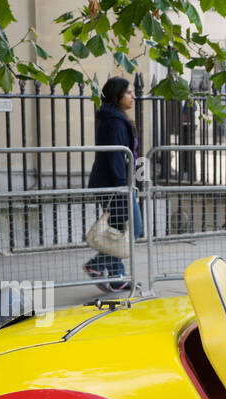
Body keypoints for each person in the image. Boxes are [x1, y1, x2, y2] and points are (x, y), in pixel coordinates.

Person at [83, 77, 143, 291]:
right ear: (117, 96)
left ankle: (118, 277)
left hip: (112, 183)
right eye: (129, 92)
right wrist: (123, 187)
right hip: (116, 185)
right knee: (134, 229)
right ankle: (97, 265)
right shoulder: (115, 122)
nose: (133, 96)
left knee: (117, 231)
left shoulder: (112, 118)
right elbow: (116, 158)